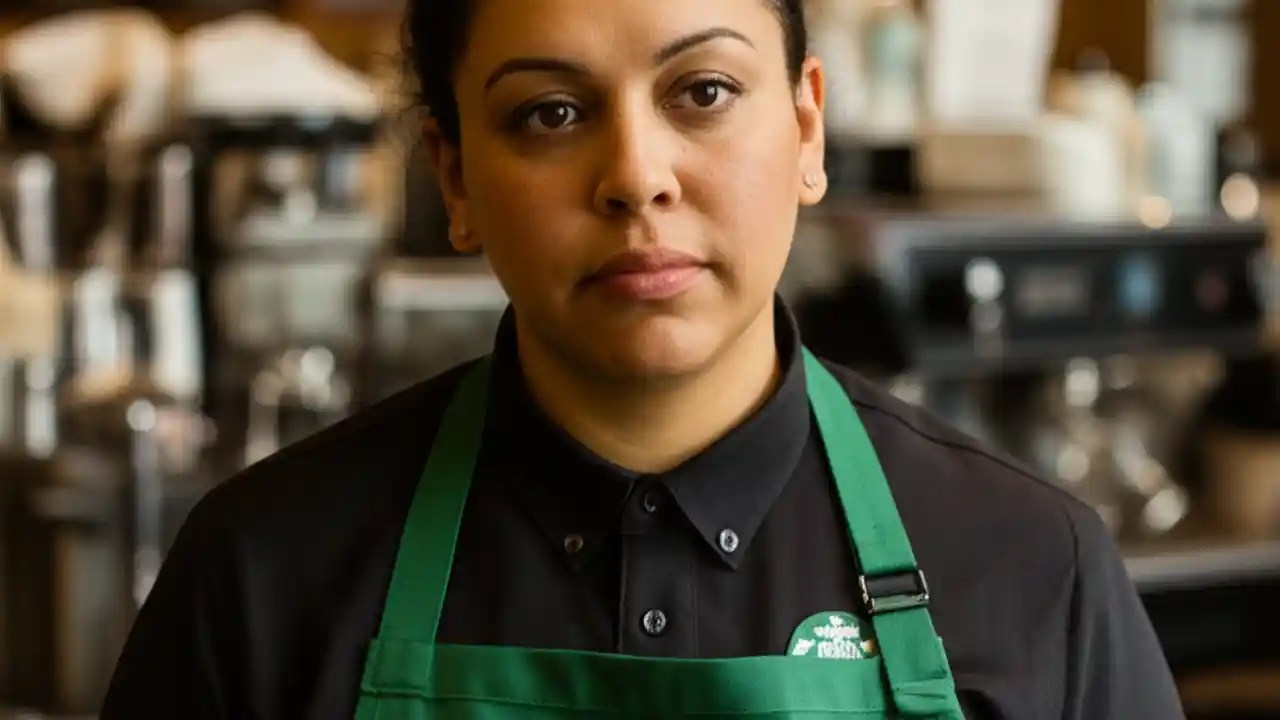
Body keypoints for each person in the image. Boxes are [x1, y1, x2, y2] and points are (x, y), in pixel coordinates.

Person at [101, 0, 1186, 717]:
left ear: (806, 129)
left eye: (702, 93)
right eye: (550, 112)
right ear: (455, 178)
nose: (635, 175)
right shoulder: (258, 578)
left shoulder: (1036, 572)